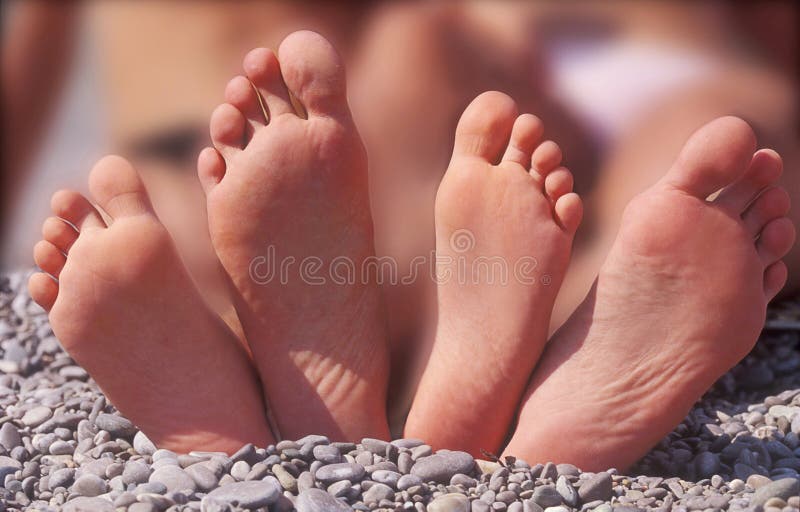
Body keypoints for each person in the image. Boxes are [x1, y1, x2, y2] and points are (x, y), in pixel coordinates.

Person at [27, 31, 794, 471]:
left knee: (413, 68)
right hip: (640, 66)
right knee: (718, 136)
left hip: (458, 93)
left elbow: (34, 65)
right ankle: (562, 372)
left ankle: (274, 406)